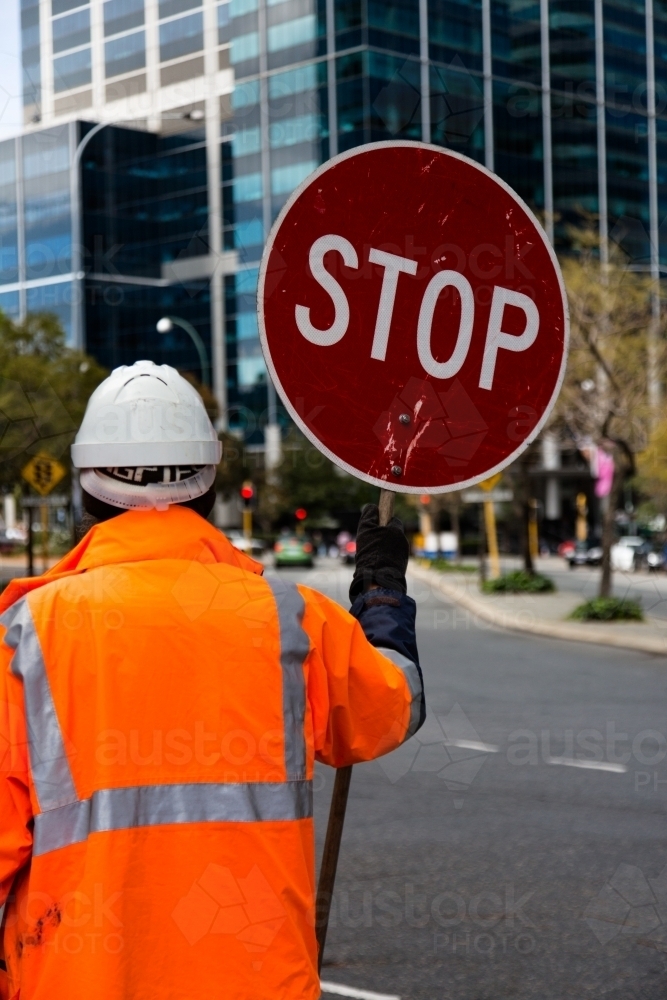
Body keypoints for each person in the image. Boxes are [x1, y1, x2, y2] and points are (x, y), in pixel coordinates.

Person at [0, 360, 424, 1000]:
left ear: (88, 490)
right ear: (209, 486)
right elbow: (392, 707)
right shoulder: (291, 619)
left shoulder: (24, 636)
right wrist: (384, 596)